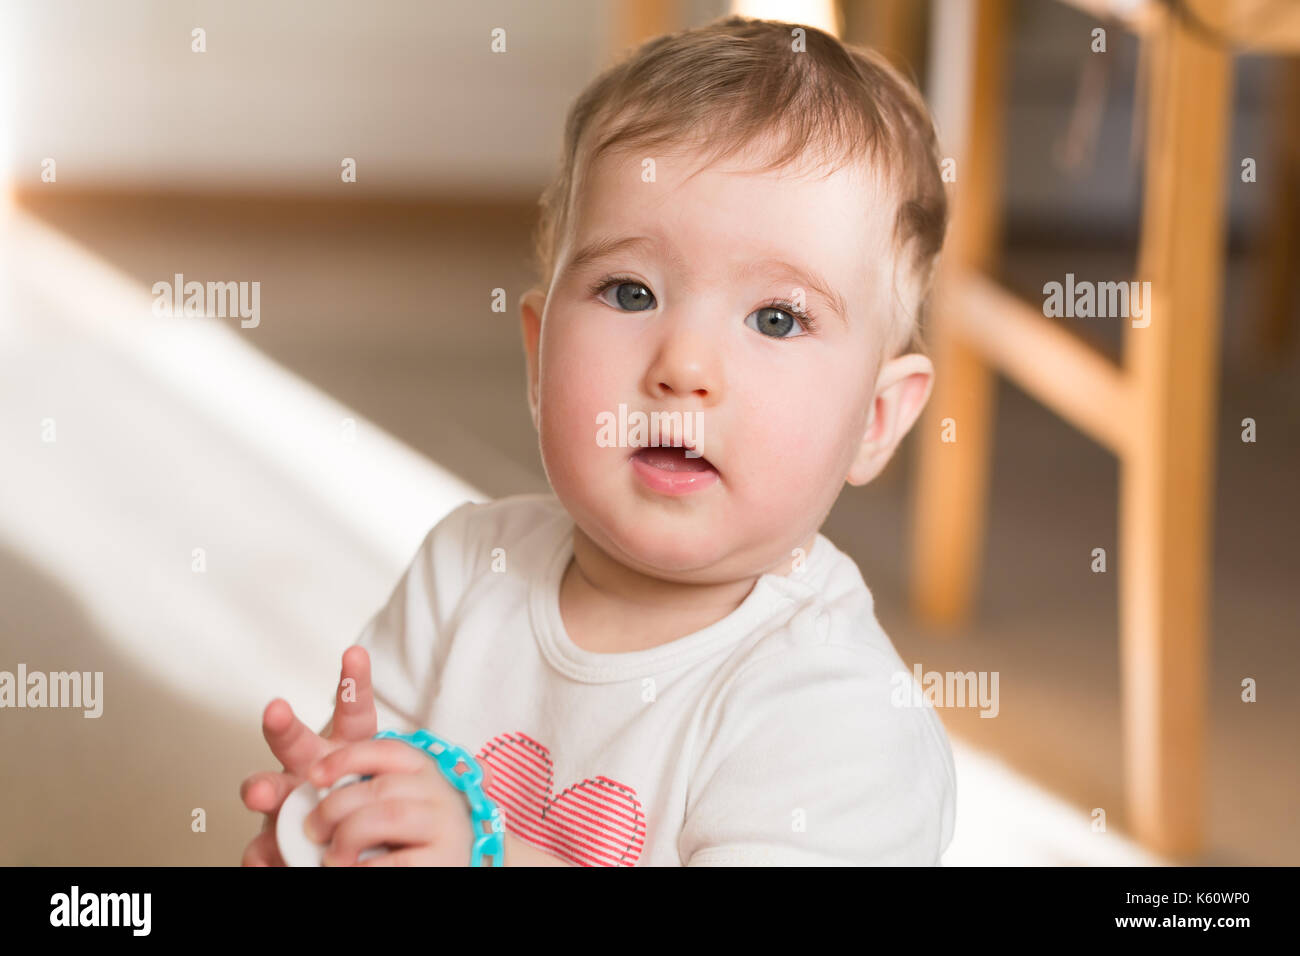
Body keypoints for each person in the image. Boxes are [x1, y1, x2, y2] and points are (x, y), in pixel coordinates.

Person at [241, 13, 955, 867]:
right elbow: (391, 810)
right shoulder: (469, 570)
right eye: (629, 292)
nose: (684, 365)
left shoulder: (838, 717)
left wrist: (485, 853)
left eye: (777, 317)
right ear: (539, 357)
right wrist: (332, 822)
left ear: (876, 422)